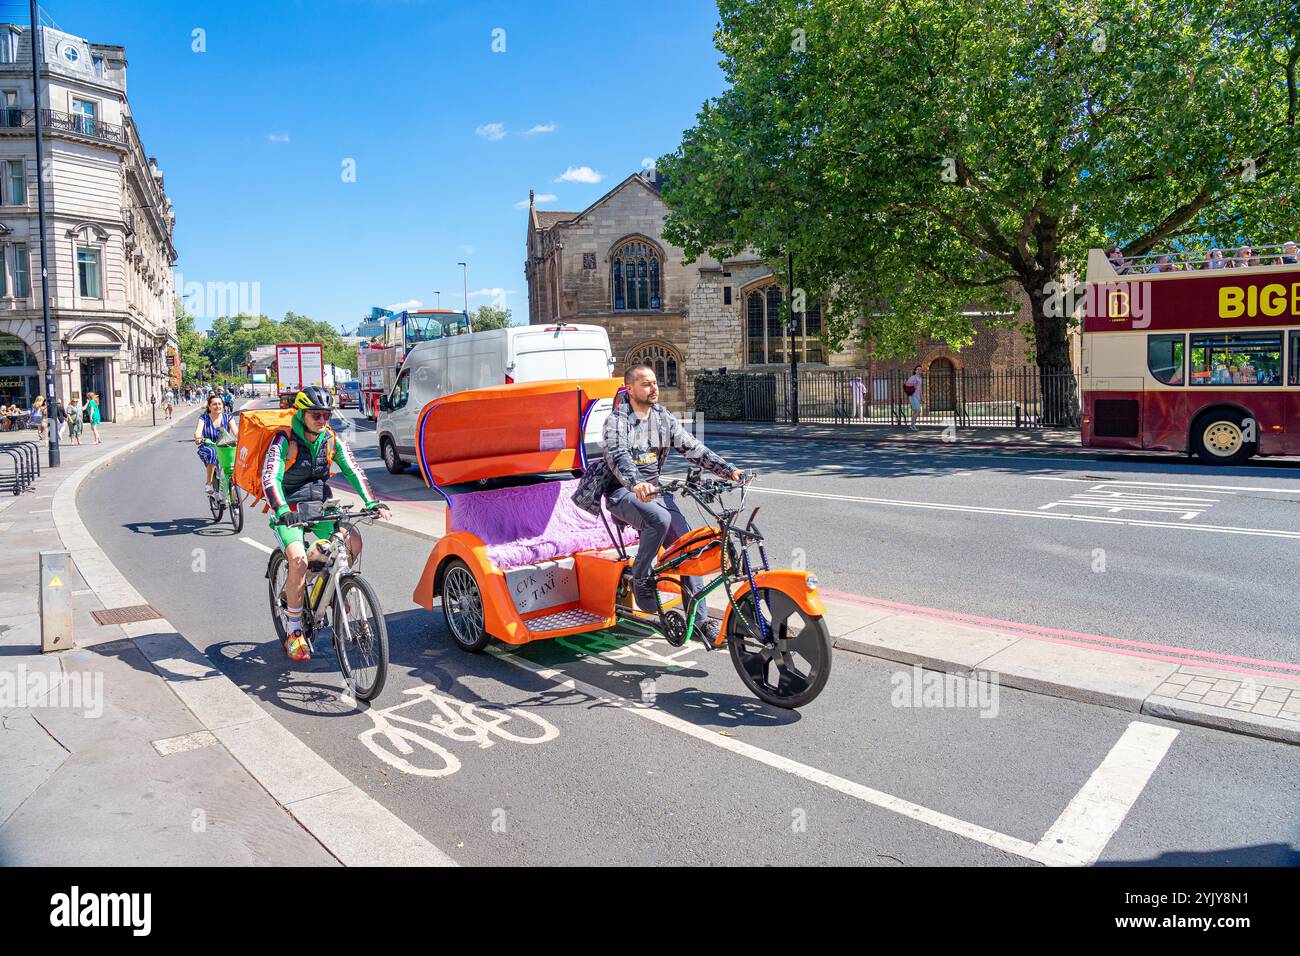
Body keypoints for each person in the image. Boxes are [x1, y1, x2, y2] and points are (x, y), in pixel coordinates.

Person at [599, 364, 743, 643]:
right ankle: (641, 577)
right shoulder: (617, 421)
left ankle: (700, 622)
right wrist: (636, 482)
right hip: (623, 492)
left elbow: (693, 447)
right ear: (629, 389)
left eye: (655, 383)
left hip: (656, 492)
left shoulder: (662, 418)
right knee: (659, 520)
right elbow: (618, 456)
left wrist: (728, 470)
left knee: (689, 548)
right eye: (646, 384)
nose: (654, 388)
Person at [263, 387, 390, 661]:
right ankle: (295, 631)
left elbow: (353, 469)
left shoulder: (331, 438)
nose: (322, 420)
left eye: (326, 414)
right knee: (298, 561)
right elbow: (270, 478)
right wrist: (283, 510)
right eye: (316, 415)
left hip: (320, 506)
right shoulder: (283, 439)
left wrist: (371, 502)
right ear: (302, 414)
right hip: (290, 509)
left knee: (353, 540)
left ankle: (330, 586)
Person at [193, 394, 237, 495]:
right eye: (214, 404)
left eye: (219, 404)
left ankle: (235, 497)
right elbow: (198, 431)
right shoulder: (203, 418)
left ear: (223, 405)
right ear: (209, 406)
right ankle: (209, 483)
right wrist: (198, 438)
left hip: (225, 447)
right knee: (212, 453)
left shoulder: (228, 417)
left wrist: (243, 438)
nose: (217, 406)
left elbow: (236, 432)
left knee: (235, 461)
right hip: (208, 445)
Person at [904, 365, 923, 430]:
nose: (919, 370)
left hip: (917, 396)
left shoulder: (920, 378)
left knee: (915, 411)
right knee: (918, 410)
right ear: (915, 371)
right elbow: (906, 384)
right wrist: (914, 384)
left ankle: (912, 425)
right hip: (913, 395)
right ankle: (912, 425)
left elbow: (920, 389)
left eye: (920, 369)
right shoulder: (913, 377)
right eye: (918, 369)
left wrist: (922, 398)